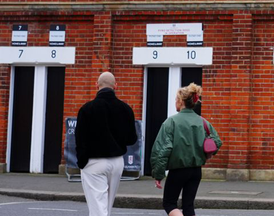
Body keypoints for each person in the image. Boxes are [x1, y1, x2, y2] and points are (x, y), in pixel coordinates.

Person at [151, 83, 222, 216]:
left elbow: (161, 150)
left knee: (169, 203)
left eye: (176, 100)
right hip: (196, 170)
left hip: (178, 170)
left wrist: (158, 174)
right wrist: (207, 155)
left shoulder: (171, 122)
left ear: (181, 101)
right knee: (188, 206)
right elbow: (217, 141)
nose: (175, 103)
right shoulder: (203, 122)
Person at [75, 71, 138, 216]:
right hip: (117, 162)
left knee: (98, 207)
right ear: (115, 86)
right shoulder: (126, 109)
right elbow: (131, 139)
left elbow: (80, 139)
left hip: (94, 162)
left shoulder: (87, 109)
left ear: (96, 85)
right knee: (106, 207)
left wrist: (82, 162)